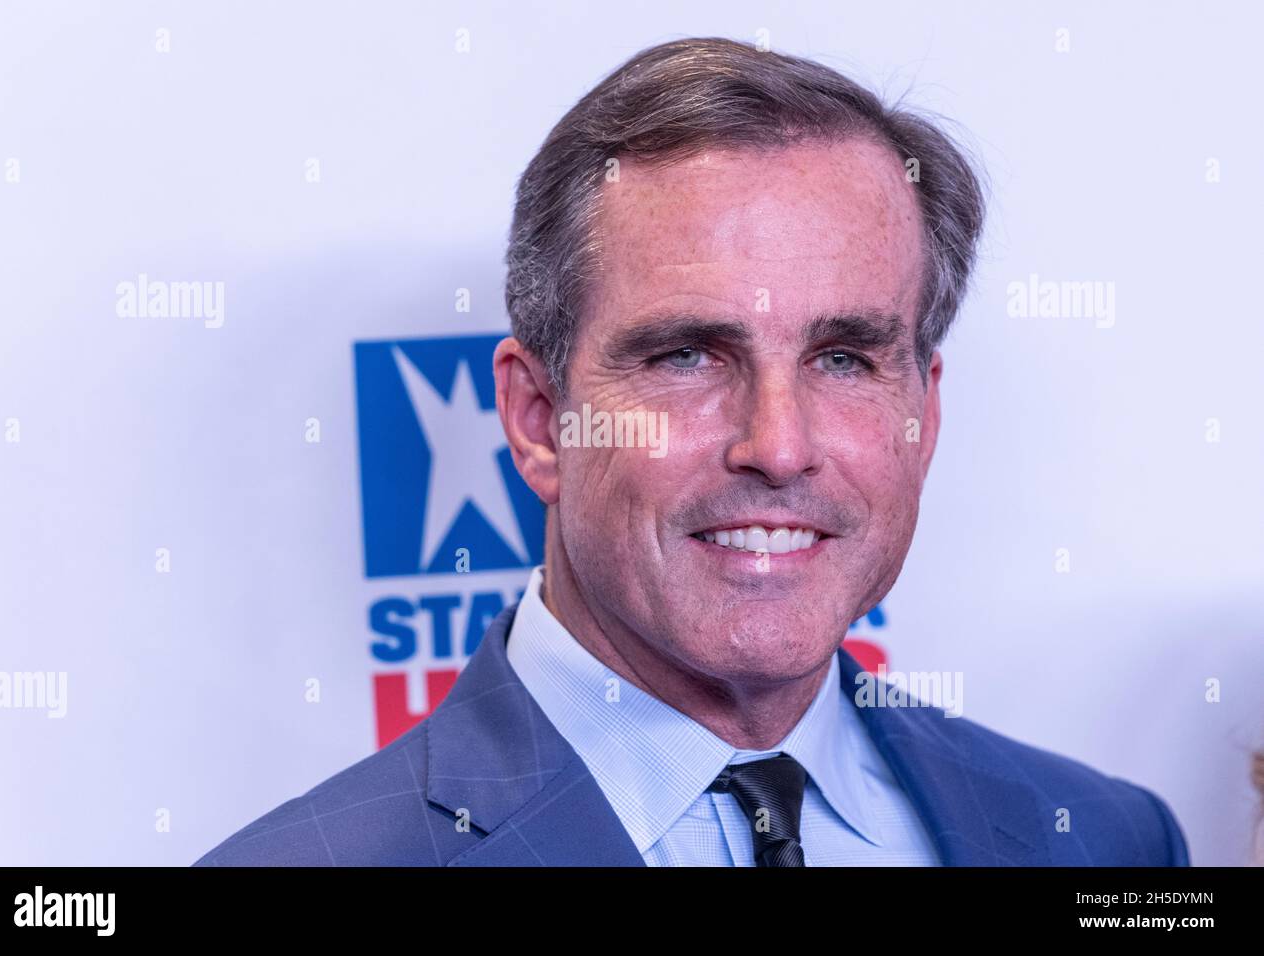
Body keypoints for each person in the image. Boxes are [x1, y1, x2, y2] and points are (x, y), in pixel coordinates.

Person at [195, 36, 1189, 867]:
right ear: (540, 419)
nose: (778, 444)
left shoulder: (1107, 841)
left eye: (843, 357)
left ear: (921, 414)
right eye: (685, 355)